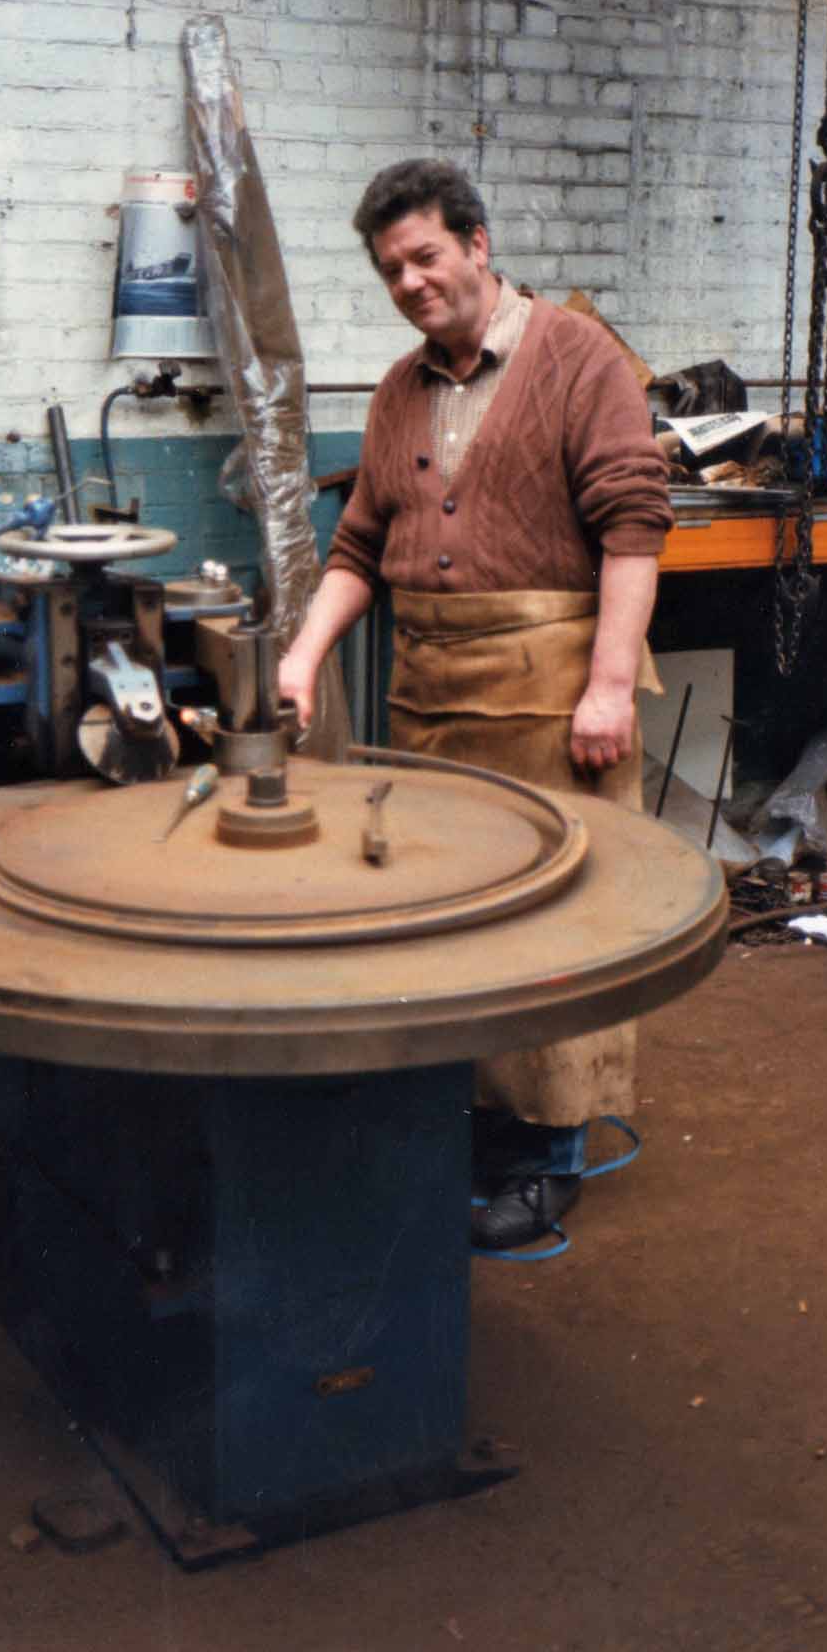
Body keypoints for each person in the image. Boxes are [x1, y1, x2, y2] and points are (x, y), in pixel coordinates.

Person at [279, 158, 674, 1250]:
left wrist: (605, 683)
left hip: (550, 693)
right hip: (433, 695)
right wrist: (303, 657)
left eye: (425, 256)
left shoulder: (575, 357)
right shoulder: (400, 388)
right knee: (452, 925)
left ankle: (548, 1158)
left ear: (477, 244)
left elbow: (632, 528)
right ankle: (479, 1127)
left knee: (555, 926)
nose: (409, 282)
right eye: (389, 269)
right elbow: (360, 544)